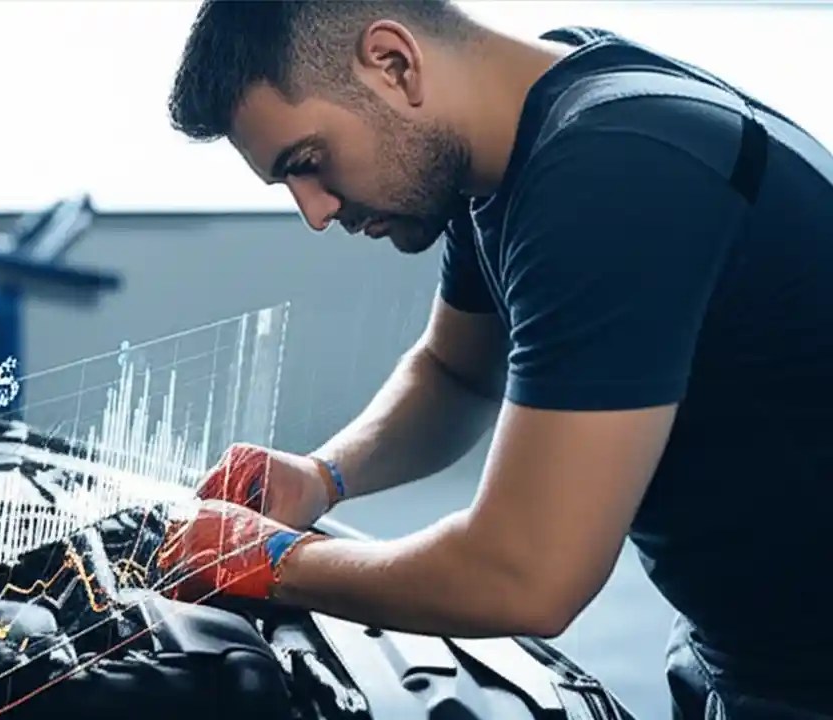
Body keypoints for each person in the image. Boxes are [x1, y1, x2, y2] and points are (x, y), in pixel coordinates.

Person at [154, 2, 833, 718]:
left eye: (308, 162)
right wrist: (320, 477)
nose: (316, 212)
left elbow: (526, 575)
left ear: (393, 64)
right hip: (738, 646)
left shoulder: (609, 171)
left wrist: (272, 563)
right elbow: (457, 372)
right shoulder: (530, 126)